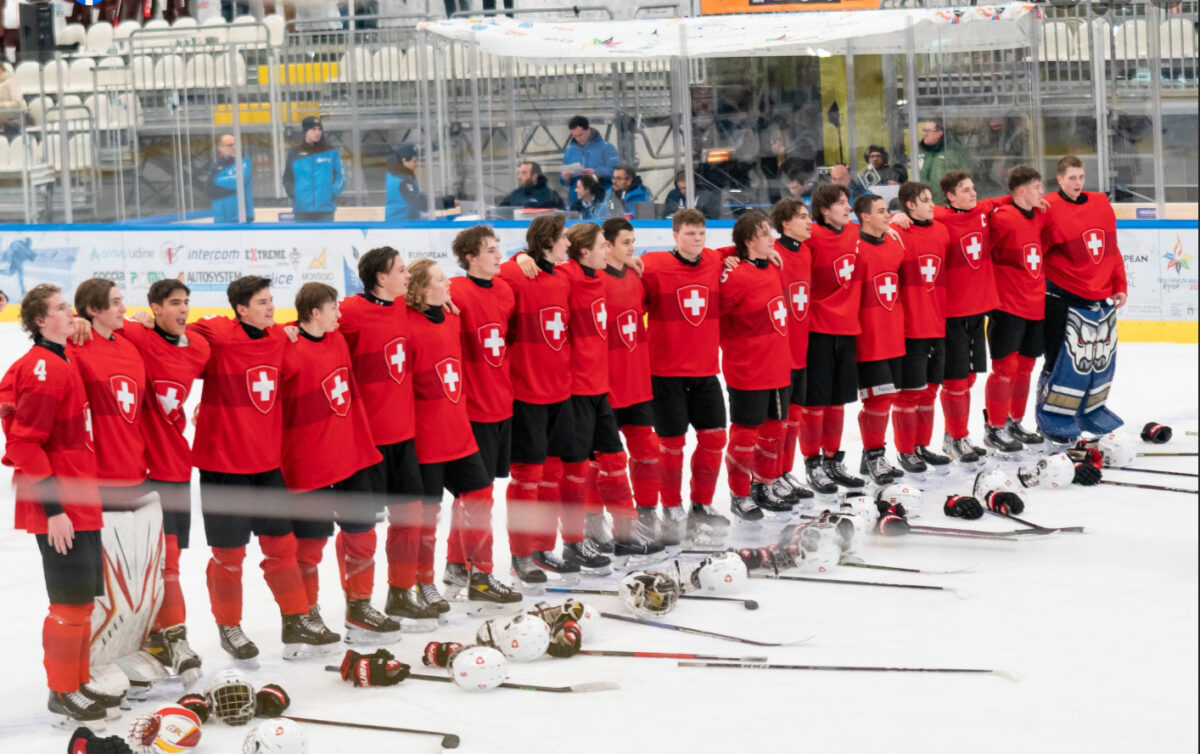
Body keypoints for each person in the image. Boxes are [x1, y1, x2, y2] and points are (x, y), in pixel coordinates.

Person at [188, 275, 338, 661]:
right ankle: (230, 627)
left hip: (267, 464)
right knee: (229, 556)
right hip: (224, 466)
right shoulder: (220, 333)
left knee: (282, 547)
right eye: (261, 302)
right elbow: (177, 332)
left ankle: (295, 617)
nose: (270, 307)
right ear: (240, 309)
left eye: (272, 300)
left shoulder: (279, 338)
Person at [0, 284, 105, 726]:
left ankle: (76, 682)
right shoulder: (44, 367)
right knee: (67, 603)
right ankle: (62, 691)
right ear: (41, 321)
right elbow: (24, 442)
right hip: (60, 504)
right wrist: (53, 510)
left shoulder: (59, 359)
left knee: (81, 602)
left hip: (78, 495)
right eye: (62, 309)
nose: (71, 313)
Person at [278, 282, 396, 643]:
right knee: (309, 547)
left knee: (362, 536)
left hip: (351, 456)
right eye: (332, 308)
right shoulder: (286, 348)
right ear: (314, 313)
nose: (339, 315)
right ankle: (305, 614)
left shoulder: (338, 339)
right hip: (308, 463)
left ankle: (359, 607)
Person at [405, 259, 516, 610]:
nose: (449, 283)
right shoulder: (405, 323)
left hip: (458, 430)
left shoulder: (452, 316)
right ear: (422, 290)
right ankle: (423, 583)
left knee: (480, 495)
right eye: (440, 280)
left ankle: (479, 575)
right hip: (426, 437)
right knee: (427, 516)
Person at [337, 248, 441, 625]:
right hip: (364, 441)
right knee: (359, 529)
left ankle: (400, 593)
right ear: (381, 278)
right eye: (400, 270)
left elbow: (445, 294)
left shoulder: (403, 309)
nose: (407, 276)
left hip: (403, 436)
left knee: (410, 518)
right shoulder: (349, 313)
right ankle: (358, 603)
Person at [117, 280, 211, 681]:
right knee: (145, 564)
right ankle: (152, 639)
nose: (183, 309)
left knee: (171, 562)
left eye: (187, 303)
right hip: (140, 470)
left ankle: (170, 636)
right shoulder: (135, 333)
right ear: (154, 308)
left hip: (175, 465)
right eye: (175, 303)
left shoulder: (199, 348)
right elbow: (88, 319)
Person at [552, 223, 661, 563]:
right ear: (587, 250)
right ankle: (588, 529)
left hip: (610, 385)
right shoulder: (567, 276)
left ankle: (628, 528)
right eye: (612, 244)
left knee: (617, 458)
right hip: (583, 388)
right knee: (585, 465)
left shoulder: (611, 275)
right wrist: (522, 259)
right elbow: (535, 274)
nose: (629, 249)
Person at [496, 215, 578, 586]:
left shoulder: (563, 277)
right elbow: (485, 278)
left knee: (553, 477)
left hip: (560, 392)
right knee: (527, 479)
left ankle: (544, 549)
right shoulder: (517, 275)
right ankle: (521, 554)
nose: (569, 244)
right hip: (526, 395)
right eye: (563, 238)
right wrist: (515, 259)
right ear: (547, 242)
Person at [640, 209, 730, 544]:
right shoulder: (653, 265)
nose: (697, 239)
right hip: (665, 373)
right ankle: (672, 507)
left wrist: (733, 259)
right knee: (671, 446)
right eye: (690, 233)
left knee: (715, 439)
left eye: (702, 233)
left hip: (706, 370)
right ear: (674, 235)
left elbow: (736, 252)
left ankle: (701, 505)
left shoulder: (713, 260)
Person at [444, 227, 524, 602]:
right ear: (471, 257)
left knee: (475, 494)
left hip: (501, 405)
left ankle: (456, 563)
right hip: (470, 409)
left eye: (499, 249)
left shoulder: (506, 291)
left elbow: (504, 342)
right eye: (490, 251)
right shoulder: (456, 292)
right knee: (476, 496)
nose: (498, 255)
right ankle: (481, 573)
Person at [1036, 154, 1128, 444]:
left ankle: (1086, 412)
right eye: (1071, 178)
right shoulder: (1048, 207)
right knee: (1059, 361)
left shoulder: (1100, 204)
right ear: (1059, 179)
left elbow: (1111, 249)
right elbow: (1034, 251)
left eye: (1080, 177)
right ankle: (1048, 418)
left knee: (1093, 362)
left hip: (1098, 299)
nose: (1077, 183)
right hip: (1061, 297)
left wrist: (1119, 284)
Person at [931, 171, 1012, 464]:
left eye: (973, 188)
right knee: (955, 381)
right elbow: (910, 216)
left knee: (970, 377)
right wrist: (900, 218)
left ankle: (956, 435)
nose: (972, 193)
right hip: (953, 313)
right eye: (965, 190)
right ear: (950, 196)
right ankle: (956, 437)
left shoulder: (980, 211)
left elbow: (1000, 200)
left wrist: (1032, 197)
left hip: (979, 310)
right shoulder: (939, 216)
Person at [599, 218, 671, 545]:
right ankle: (608, 528)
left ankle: (646, 516)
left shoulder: (635, 275)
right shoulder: (591, 278)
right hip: (603, 386)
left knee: (648, 452)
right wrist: (522, 258)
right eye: (625, 242)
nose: (632, 248)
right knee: (602, 464)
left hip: (637, 383)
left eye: (633, 241)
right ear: (606, 245)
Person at [718, 211, 793, 521]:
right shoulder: (735, 276)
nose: (772, 238)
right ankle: (739, 493)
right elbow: (717, 316)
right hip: (747, 369)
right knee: (746, 433)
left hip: (778, 364)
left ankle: (764, 484)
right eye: (764, 233)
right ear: (748, 241)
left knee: (775, 430)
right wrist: (728, 257)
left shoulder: (773, 266)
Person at [799, 183, 864, 493]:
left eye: (847, 202)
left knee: (837, 402)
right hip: (817, 329)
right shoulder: (809, 237)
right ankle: (811, 463)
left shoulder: (854, 232)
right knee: (816, 403)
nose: (847, 207)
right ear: (823, 210)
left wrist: (898, 221)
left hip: (847, 328)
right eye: (840, 203)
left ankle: (832, 460)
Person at [983, 166, 1050, 455]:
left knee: (1025, 368)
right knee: (1005, 369)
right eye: (1036, 186)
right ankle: (994, 427)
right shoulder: (1002, 217)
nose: (1042, 192)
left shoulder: (1039, 214)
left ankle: (1014, 421)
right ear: (1021, 190)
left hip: (1035, 301)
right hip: (1007, 304)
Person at [66, 280, 149, 510]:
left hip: (135, 472)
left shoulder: (129, 348)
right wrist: (72, 320)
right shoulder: (74, 344)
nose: (124, 308)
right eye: (115, 303)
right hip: (96, 479)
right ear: (93, 309)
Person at [890, 182, 952, 476]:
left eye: (932, 199)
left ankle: (921, 445)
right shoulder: (897, 232)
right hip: (910, 327)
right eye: (925, 200)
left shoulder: (941, 230)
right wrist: (892, 219)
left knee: (929, 392)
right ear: (909, 205)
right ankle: (905, 450)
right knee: (909, 394)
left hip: (937, 324)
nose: (932, 204)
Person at [850, 194, 907, 484]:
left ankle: (871, 456)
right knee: (878, 400)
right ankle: (874, 456)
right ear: (864, 216)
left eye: (889, 211)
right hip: (867, 337)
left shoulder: (895, 242)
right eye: (881, 211)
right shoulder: (853, 247)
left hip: (894, 333)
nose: (888, 215)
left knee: (891, 396)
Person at [768, 198, 815, 501]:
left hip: (802, 346)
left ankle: (785, 472)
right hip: (779, 351)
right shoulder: (772, 251)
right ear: (785, 223)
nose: (809, 221)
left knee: (795, 415)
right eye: (802, 217)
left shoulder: (807, 250)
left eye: (809, 216)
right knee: (778, 421)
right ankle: (770, 476)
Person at [283, 116, 345, 222]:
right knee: (303, 239)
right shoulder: (294, 153)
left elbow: (341, 176)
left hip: (325, 210)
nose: (317, 132)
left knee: (326, 238)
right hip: (302, 210)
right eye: (313, 129)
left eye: (319, 129)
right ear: (306, 131)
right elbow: (287, 179)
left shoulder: (331, 151)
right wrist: (297, 194)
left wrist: (332, 192)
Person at [561, 115, 619, 204]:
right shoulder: (569, 151)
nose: (578, 138)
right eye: (574, 136)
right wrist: (564, 177)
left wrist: (596, 172)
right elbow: (562, 180)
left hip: (602, 201)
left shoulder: (607, 148)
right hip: (577, 203)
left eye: (580, 135)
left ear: (588, 130)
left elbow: (616, 173)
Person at [918, 118, 972, 205]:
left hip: (947, 203)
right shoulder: (919, 150)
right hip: (924, 203)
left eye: (928, 131)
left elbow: (968, 174)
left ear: (939, 133)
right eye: (924, 130)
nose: (924, 133)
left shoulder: (954, 149)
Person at [206, 133, 254, 223]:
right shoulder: (215, 166)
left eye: (236, 144)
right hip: (220, 218)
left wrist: (218, 181)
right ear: (220, 148)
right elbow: (209, 191)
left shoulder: (245, 161)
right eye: (230, 145)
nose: (234, 147)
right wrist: (234, 189)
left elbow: (239, 183)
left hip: (242, 217)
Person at [499, 161, 565, 210]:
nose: (519, 177)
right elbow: (501, 212)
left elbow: (562, 217)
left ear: (534, 176)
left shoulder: (550, 195)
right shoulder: (515, 194)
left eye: (523, 173)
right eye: (519, 173)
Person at [384, 143, 425, 222]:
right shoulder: (402, 179)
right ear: (404, 160)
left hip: (405, 221)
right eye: (414, 161)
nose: (417, 164)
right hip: (402, 224)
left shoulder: (401, 172)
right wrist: (446, 202)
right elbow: (416, 200)